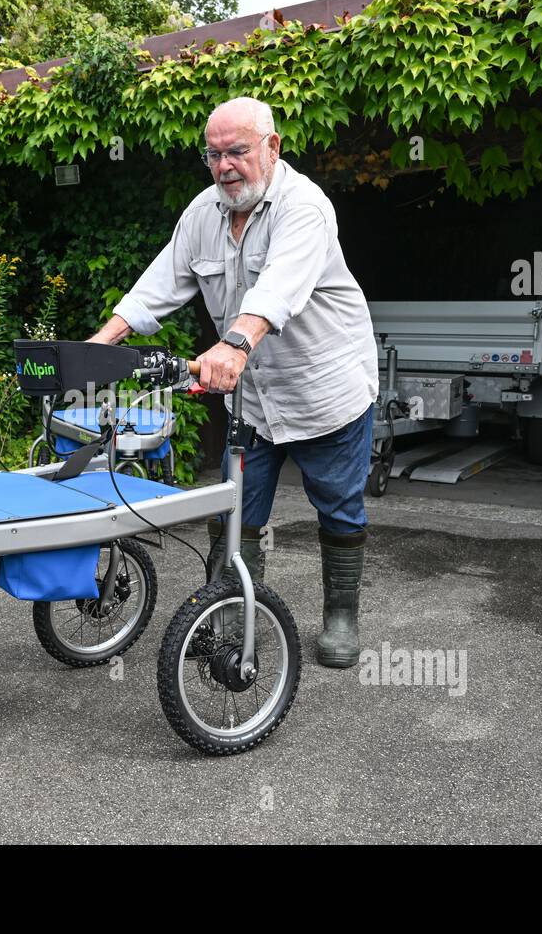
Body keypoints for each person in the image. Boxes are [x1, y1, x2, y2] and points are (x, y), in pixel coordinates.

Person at [87, 96, 378, 668]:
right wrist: (100, 346)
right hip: (251, 397)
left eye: (237, 152)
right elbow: (157, 287)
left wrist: (235, 341)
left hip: (326, 389)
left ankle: (341, 615)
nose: (224, 166)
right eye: (213, 155)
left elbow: (277, 290)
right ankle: (230, 614)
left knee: (339, 508)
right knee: (235, 510)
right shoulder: (202, 214)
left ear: (271, 148)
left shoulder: (306, 208)